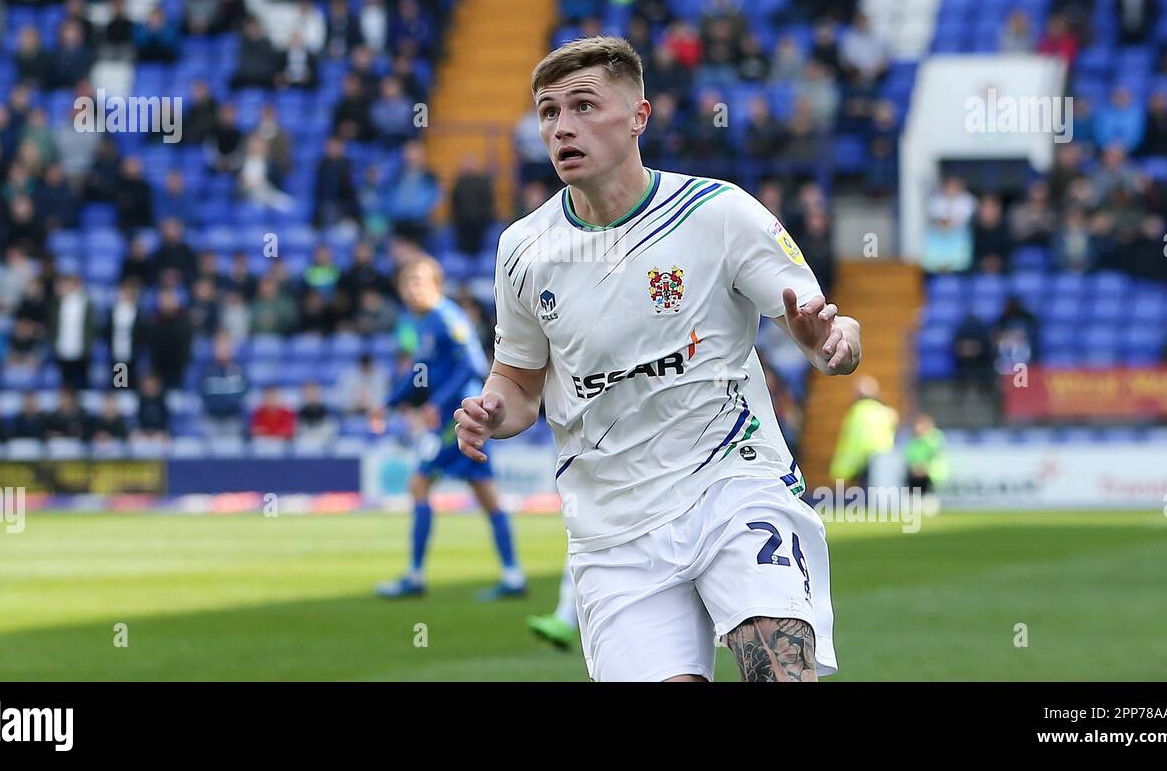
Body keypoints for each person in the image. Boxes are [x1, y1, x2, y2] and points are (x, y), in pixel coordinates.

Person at [452, 37, 861, 682]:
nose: (562, 127)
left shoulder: (718, 214)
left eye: (584, 106)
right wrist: (492, 410)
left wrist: (832, 346)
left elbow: (827, 330)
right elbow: (520, 380)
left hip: (731, 482)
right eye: (548, 112)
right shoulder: (524, 249)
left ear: (640, 116)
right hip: (613, 527)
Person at [372, 256, 527, 601]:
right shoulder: (424, 324)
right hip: (455, 417)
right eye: (407, 282)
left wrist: (437, 404)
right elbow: (419, 371)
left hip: (459, 417)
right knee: (485, 494)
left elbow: (473, 365)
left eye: (420, 281)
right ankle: (513, 575)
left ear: (436, 285)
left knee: (418, 483)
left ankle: (415, 576)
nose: (412, 289)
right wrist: (390, 401)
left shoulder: (447, 318)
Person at [829, 376, 897, 494]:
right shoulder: (883, 409)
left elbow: (851, 437)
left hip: (860, 457)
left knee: (865, 490)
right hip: (881, 454)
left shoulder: (857, 410)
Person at [903, 414, 947, 515]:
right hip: (916, 471)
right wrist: (915, 467)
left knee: (927, 486)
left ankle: (928, 503)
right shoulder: (912, 441)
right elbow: (909, 456)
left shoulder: (935, 438)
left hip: (931, 472)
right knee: (912, 479)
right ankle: (913, 502)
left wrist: (924, 466)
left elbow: (935, 455)